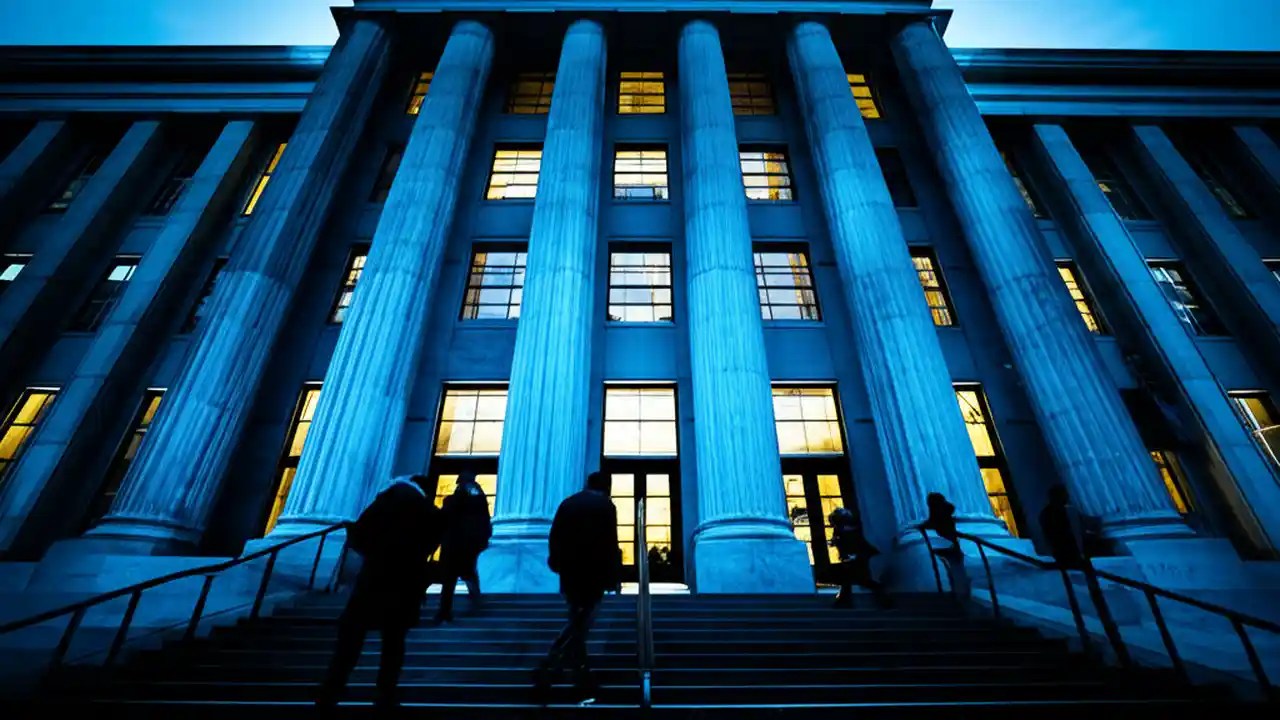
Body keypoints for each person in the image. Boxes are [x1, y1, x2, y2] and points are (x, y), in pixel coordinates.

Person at [317, 475, 442, 715]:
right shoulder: (428, 510)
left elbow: (358, 537)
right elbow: (432, 541)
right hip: (404, 582)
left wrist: (375, 553)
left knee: (350, 640)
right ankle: (385, 693)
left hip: (373, 578)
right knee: (394, 642)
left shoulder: (383, 503)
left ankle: (331, 689)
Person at [534, 471, 621, 705]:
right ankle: (554, 665)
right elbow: (609, 542)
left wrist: (556, 561)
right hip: (593, 573)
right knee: (581, 621)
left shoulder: (568, 503)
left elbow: (555, 535)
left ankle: (576, 672)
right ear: (606, 487)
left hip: (570, 572)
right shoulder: (605, 506)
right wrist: (614, 575)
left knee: (576, 617)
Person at [1038, 483, 1132, 665]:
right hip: (1072, 561)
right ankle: (1098, 641)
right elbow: (1068, 534)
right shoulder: (1058, 515)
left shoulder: (1055, 514)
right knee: (1089, 602)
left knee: (1092, 602)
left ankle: (1101, 640)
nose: (1067, 498)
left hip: (1073, 561)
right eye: (1064, 495)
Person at [433, 474, 492, 624]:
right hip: (463, 544)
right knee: (464, 576)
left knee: (455, 578)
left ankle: (447, 611)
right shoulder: (476, 498)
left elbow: (444, 519)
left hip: (458, 544)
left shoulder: (462, 499)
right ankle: (466, 606)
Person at [828, 507, 890, 608]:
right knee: (850, 579)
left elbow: (856, 544)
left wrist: (852, 555)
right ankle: (844, 601)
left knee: (857, 579)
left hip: (858, 557)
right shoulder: (844, 530)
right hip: (855, 557)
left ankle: (844, 601)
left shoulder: (848, 531)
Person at [919, 491, 970, 601]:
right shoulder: (946, 511)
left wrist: (921, 527)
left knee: (954, 570)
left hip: (946, 545)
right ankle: (961, 593)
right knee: (957, 570)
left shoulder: (938, 514)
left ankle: (959, 594)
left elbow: (932, 523)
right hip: (951, 545)